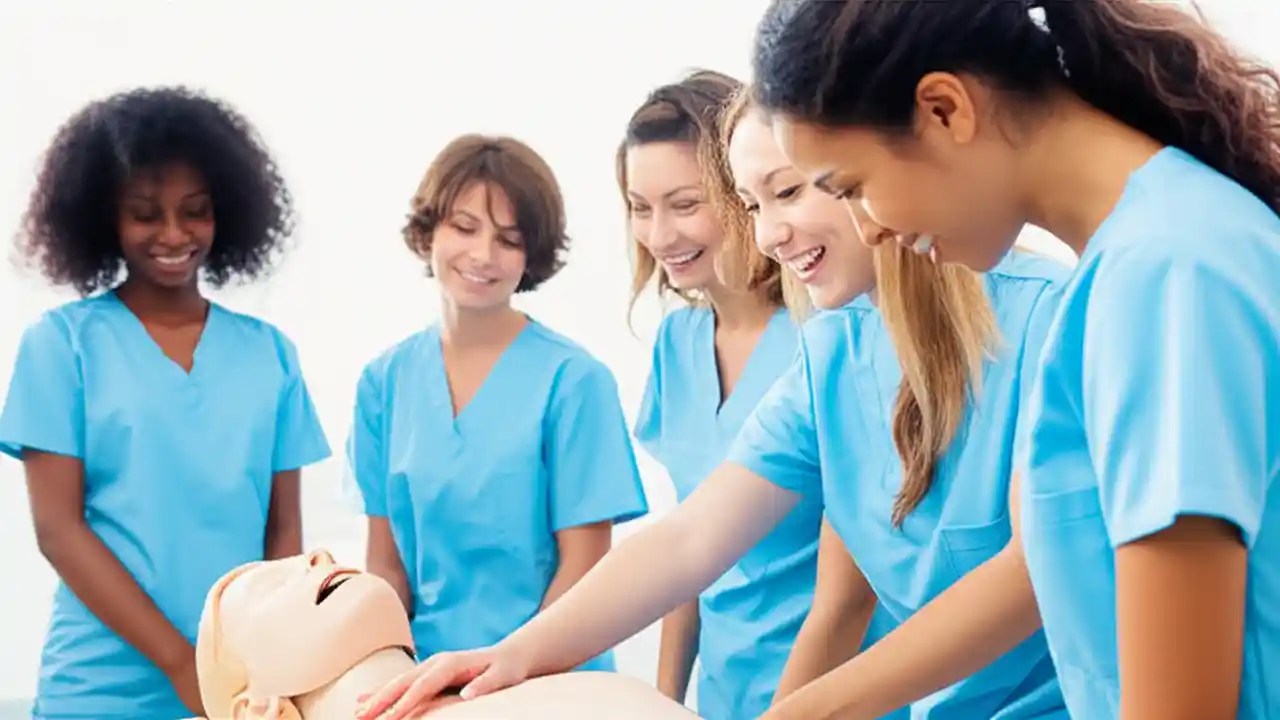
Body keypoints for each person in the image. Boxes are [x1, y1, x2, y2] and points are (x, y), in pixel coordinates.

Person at [354, 92, 1073, 720]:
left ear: (864, 170)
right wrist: (513, 656)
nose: (765, 235)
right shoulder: (831, 357)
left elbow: (1030, 573)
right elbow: (691, 539)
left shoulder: (1046, 316)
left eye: (788, 193)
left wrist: (800, 712)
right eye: (753, 205)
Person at [749, 0, 1280, 718]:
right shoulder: (1138, 262)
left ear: (944, 109)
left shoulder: (1164, 276)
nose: (868, 229)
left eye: (852, 188)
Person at [0, 86, 331, 720]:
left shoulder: (271, 355)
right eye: (146, 214)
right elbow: (59, 532)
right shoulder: (61, 346)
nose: (174, 234)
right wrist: (182, 663)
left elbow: (283, 537)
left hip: (239, 685)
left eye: (196, 211)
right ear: (105, 218)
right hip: (99, 685)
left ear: (225, 214)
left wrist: (275, 666)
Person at [343, 134, 649, 677]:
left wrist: (513, 674)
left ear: (532, 255)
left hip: (553, 676)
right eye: (464, 228)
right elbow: (386, 571)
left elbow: (583, 569)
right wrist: (384, 671)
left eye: (509, 240)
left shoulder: (574, 382)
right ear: (428, 230)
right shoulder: (383, 383)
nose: (483, 256)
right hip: (425, 680)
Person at [621, 68, 828, 720]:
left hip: (838, 695)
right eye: (639, 207)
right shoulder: (676, 346)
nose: (660, 236)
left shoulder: (826, 336)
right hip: (723, 700)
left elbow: (858, 584)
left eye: (685, 205)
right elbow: (687, 548)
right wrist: (665, 705)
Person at [191, 550, 696, 720]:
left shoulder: (584, 690)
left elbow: (689, 543)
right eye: (271, 583)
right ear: (257, 711)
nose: (318, 556)